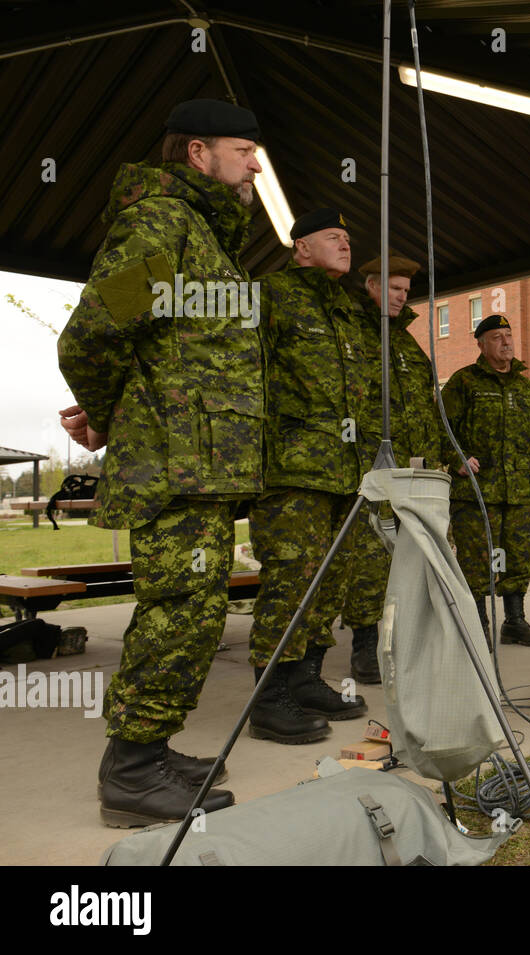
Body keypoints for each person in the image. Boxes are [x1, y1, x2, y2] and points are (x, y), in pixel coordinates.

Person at [57, 98, 263, 825]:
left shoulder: (204, 236)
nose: (257, 163)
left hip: (199, 465)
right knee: (179, 610)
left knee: (197, 611)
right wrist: (116, 414)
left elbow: (175, 352)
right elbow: (89, 335)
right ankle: (133, 771)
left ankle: (150, 749)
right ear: (198, 152)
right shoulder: (161, 223)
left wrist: (126, 407)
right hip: (172, 465)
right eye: (244, 150)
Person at [247, 208, 373, 742]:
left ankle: (306, 678)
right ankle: (269, 695)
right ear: (301, 247)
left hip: (345, 471)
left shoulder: (347, 308)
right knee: (291, 579)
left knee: (332, 578)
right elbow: (242, 365)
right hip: (294, 468)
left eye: (348, 236)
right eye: (332, 237)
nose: (345, 244)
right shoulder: (272, 294)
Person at [338, 253, 445, 683]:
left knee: (416, 553)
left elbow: (426, 407)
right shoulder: (354, 334)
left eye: (406, 290)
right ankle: (365, 646)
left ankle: (407, 639)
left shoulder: (407, 344)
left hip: (415, 470)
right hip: (371, 468)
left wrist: (434, 461)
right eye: (394, 289)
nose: (402, 297)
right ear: (372, 287)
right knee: (368, 560)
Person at [440, 315, 530, 646]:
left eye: (508, 335)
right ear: (481, 344)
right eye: (496, 337)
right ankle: (478, 625)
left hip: (517, 492)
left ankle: (515, 622)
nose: (506, 342)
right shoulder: (464, 383)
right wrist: (455, 458)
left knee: (519, 558)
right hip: (476, 493)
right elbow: (441, 427)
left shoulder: (525, 388)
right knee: (477, 562)